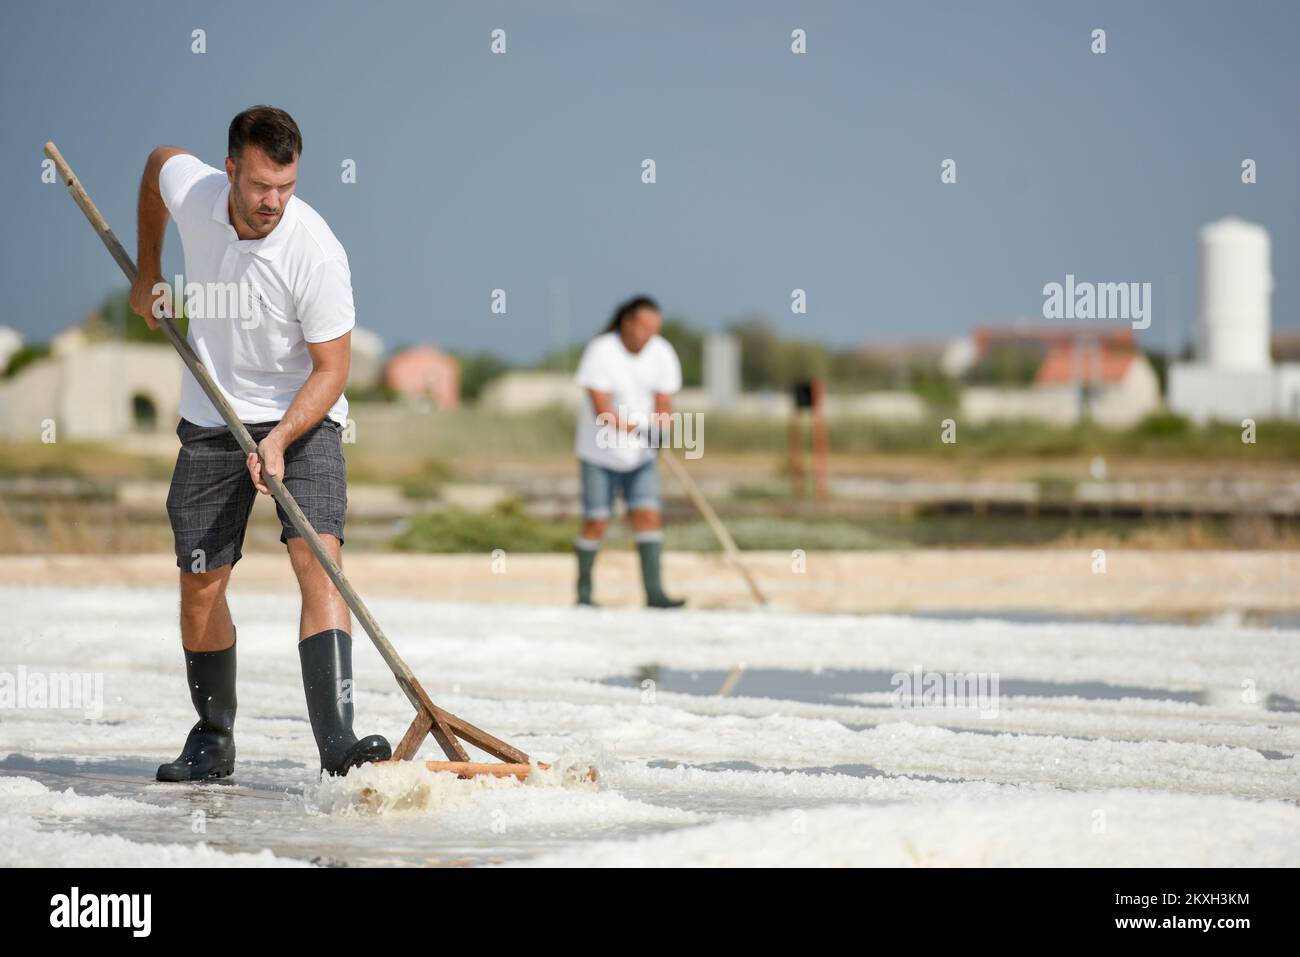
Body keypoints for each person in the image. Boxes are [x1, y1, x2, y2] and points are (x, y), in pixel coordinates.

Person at [130, 106, 390, 781]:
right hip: (211, 419)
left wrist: (278, 440)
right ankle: (213, 738)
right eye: (259, 186)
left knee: (320, 560)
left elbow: (333, 369)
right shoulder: (195, 194)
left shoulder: (316, 251)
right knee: (200, 581)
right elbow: (159, 161)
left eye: (286, 185)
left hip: (304, 418)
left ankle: (338, 746)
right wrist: (147, 270)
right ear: (230, 171)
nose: (272, 201)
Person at [573, 295, 685, 608]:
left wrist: (662, 431)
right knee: (597, 519)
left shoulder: (662, 352)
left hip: (642, 456)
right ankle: (584, 594)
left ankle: (655, 593)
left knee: (648, 516)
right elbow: (602, 411)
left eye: (655, 328)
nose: (649, 335)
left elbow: (664, 402)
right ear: (627, 322)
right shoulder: (601, 352)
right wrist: (640, 429)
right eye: (644, 327)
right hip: (600, 453)